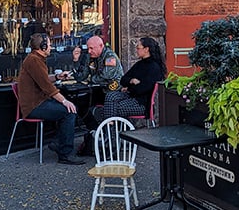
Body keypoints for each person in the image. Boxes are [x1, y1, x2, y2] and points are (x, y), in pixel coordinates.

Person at [17, 32, 83, 164]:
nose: (51, 47)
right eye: (49, 44)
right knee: (69, 111)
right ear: (42, 46)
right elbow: (47, 87)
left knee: (68, 109)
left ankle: (58, 142)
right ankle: (64, 153)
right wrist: (64, 101)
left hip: (38, 102)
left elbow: (43, 79)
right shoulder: (34, 61)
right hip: (34, 106)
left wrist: (57, 77)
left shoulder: (35, 59)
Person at [94, 36, 166, 123]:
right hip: (131, 96)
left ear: (146, 49)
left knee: (109, 109)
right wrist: (131, 81)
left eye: (138, 48)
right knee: (110, 96)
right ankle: (111, 133)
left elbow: (143, 89)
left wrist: (129, 88)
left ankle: (111, 134)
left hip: (141, 103)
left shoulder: (154, 67)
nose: (136, 50)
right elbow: (123, 80)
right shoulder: (139, 64)